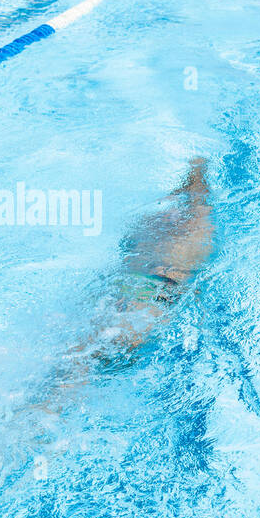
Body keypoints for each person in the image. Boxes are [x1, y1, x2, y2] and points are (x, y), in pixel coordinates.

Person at [48, 156, 214, 394]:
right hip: (134, 299)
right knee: (75, 361)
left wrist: (196, 170)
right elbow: (199, 199)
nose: (167, 212)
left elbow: (199, 199)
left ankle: (38, 415)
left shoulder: (173, 233)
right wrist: (196, 170)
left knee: (76, 362)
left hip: (136, 301)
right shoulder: (183, 234)